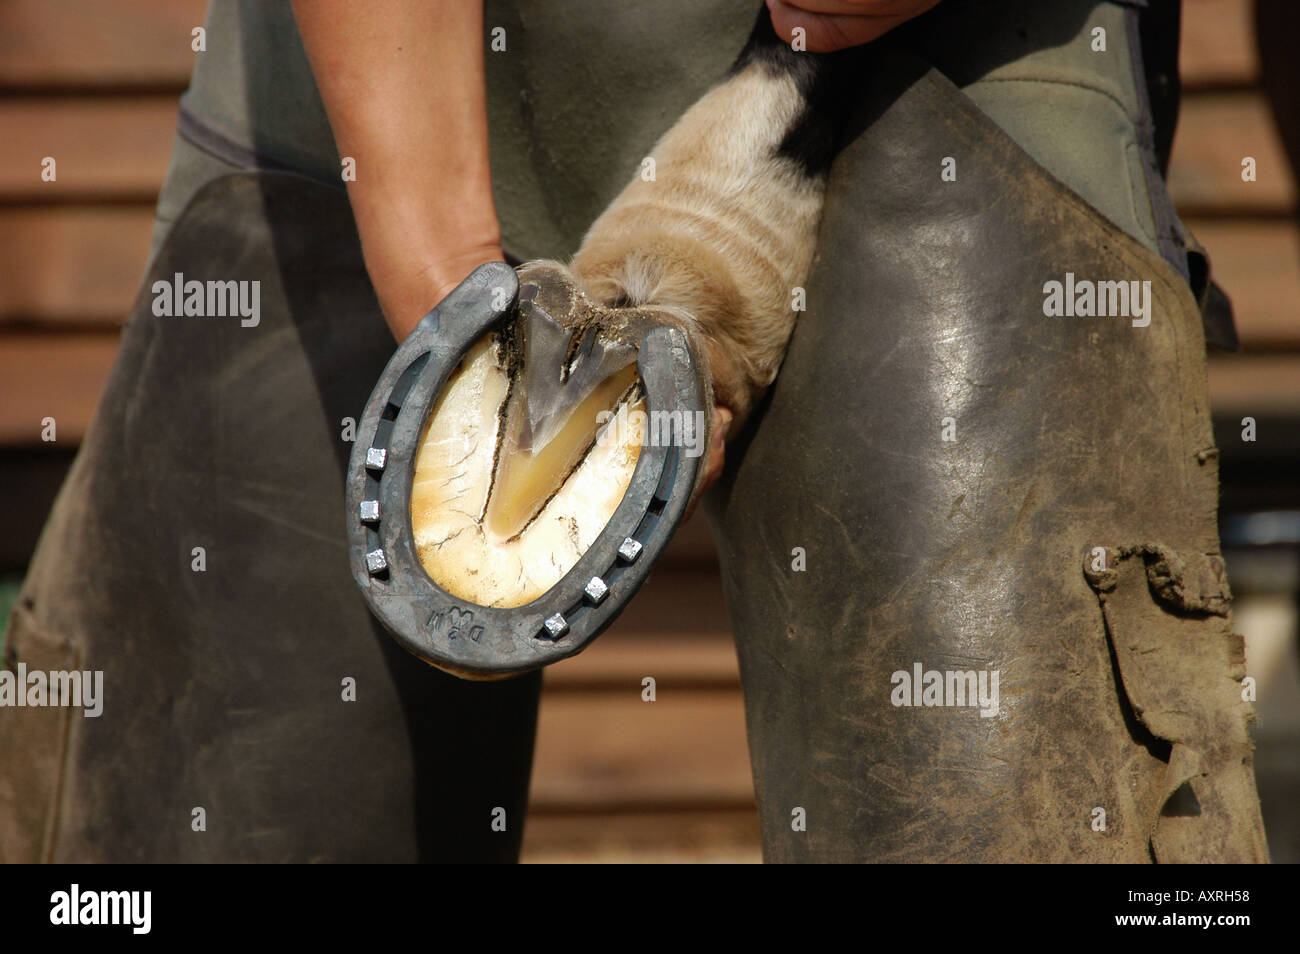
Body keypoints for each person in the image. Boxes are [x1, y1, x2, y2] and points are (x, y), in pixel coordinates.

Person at [0, 0, 1266, 862]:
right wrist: (435, 253)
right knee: (197, 818)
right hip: (358, 78)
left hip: (959, 64)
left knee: (1019, 809)